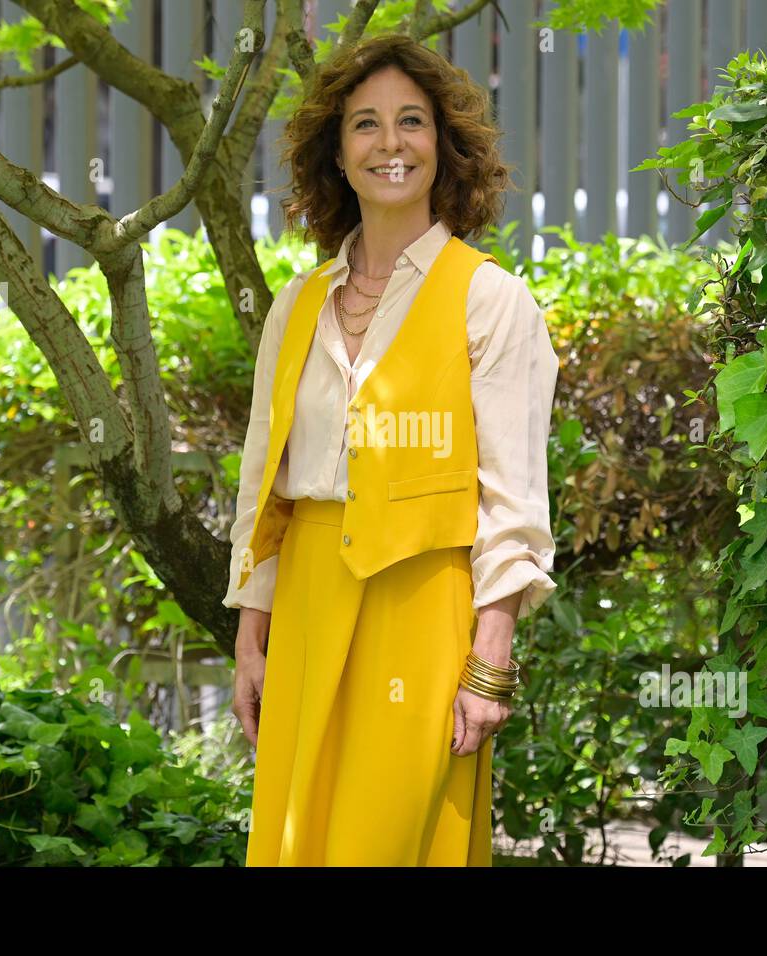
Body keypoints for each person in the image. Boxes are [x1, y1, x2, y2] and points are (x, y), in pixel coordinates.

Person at [224, 32, 559, 867]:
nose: (390, 143)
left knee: (398, 844)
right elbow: (264, 486)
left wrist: (490, 663)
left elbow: (513, 503)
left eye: (411, 122)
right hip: (304, 600)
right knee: (297, 842)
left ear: (443, 147)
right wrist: (251, 635)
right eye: (365, 125)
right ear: (337, 153)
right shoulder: (296, 305)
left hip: (423, 610)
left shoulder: (490, 299)